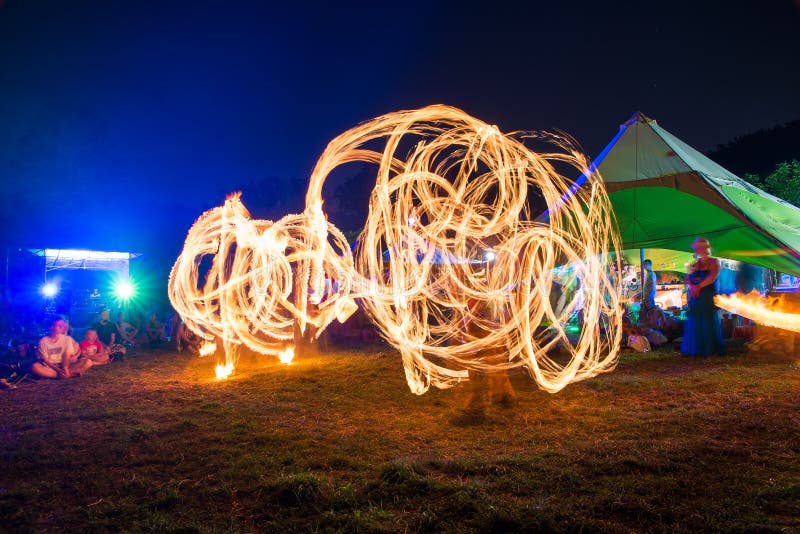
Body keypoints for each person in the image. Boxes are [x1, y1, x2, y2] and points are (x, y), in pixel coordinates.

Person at [681, 237, 724, 356]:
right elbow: (687, 278)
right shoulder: (695, 264)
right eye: (697, 249)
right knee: (696, 319)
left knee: (707, 320)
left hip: (707, 295)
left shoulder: (714, 262)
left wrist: (698, 286)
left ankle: (709, 349)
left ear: (706, 248)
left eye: (700, 248)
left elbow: (712, 277)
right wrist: (692, 286)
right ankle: (697, 349)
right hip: (696, 296)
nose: (698, 251)